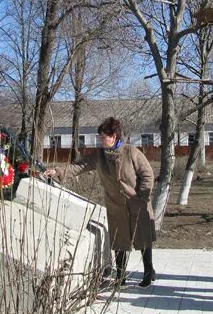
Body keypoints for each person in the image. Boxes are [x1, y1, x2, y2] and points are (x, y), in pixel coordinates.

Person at [44, 117, 157, 288]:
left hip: (137, 203)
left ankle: (148, 271)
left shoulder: (131, 152)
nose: (101, 139)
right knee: (119, 241)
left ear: (114, 136)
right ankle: (120, 276)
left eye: (104, 136)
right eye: (100, 136)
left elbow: (147, 174)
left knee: (142, 238)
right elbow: (79, 166)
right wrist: (58, 172)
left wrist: (142, 196)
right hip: (116, 206)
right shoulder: (99, 155)